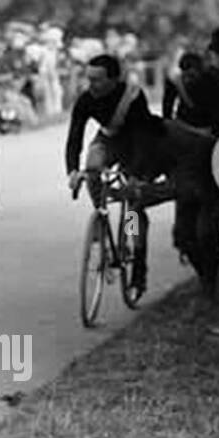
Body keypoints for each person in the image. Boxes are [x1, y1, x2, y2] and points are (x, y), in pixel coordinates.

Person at [65, 54, 169, 294]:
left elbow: (144, 138)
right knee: (92, 167)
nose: (91, 84)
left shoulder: (132, 96)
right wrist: (72, 171)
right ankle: (101, 219)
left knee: (133, 208)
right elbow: (75, 138)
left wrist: (136, 175)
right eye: (88, 78)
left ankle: (139, 268)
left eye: (98, 80)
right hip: (109, 139)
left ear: (114, 79)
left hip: (137, 145)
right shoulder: (86, 99)